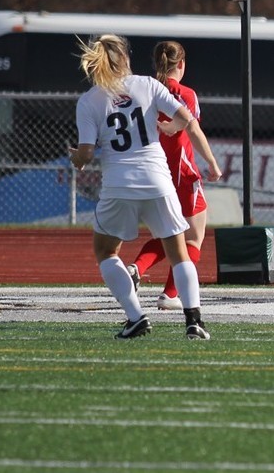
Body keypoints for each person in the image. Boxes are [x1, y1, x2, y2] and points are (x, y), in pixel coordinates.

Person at [69, 34, 211, 340]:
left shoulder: (90, 100)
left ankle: (135, 318)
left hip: (119, 185)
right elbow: (185, 117)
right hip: (157, 179)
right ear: (125, 57)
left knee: (106, 251)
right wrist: (171, 127)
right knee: (179, 252)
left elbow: (87, 152)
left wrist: (77, 158)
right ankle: (194, 321)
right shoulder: (148, 84)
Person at [125, 41, 222, 311]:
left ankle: (137, 268)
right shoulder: (184, 93)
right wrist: (212, 163)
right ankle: (170, 294)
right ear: (181, 64)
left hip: (152, 171)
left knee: (167, 233)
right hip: (181, 172)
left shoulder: (145, 91)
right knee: (193, 237)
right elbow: (193, 129)